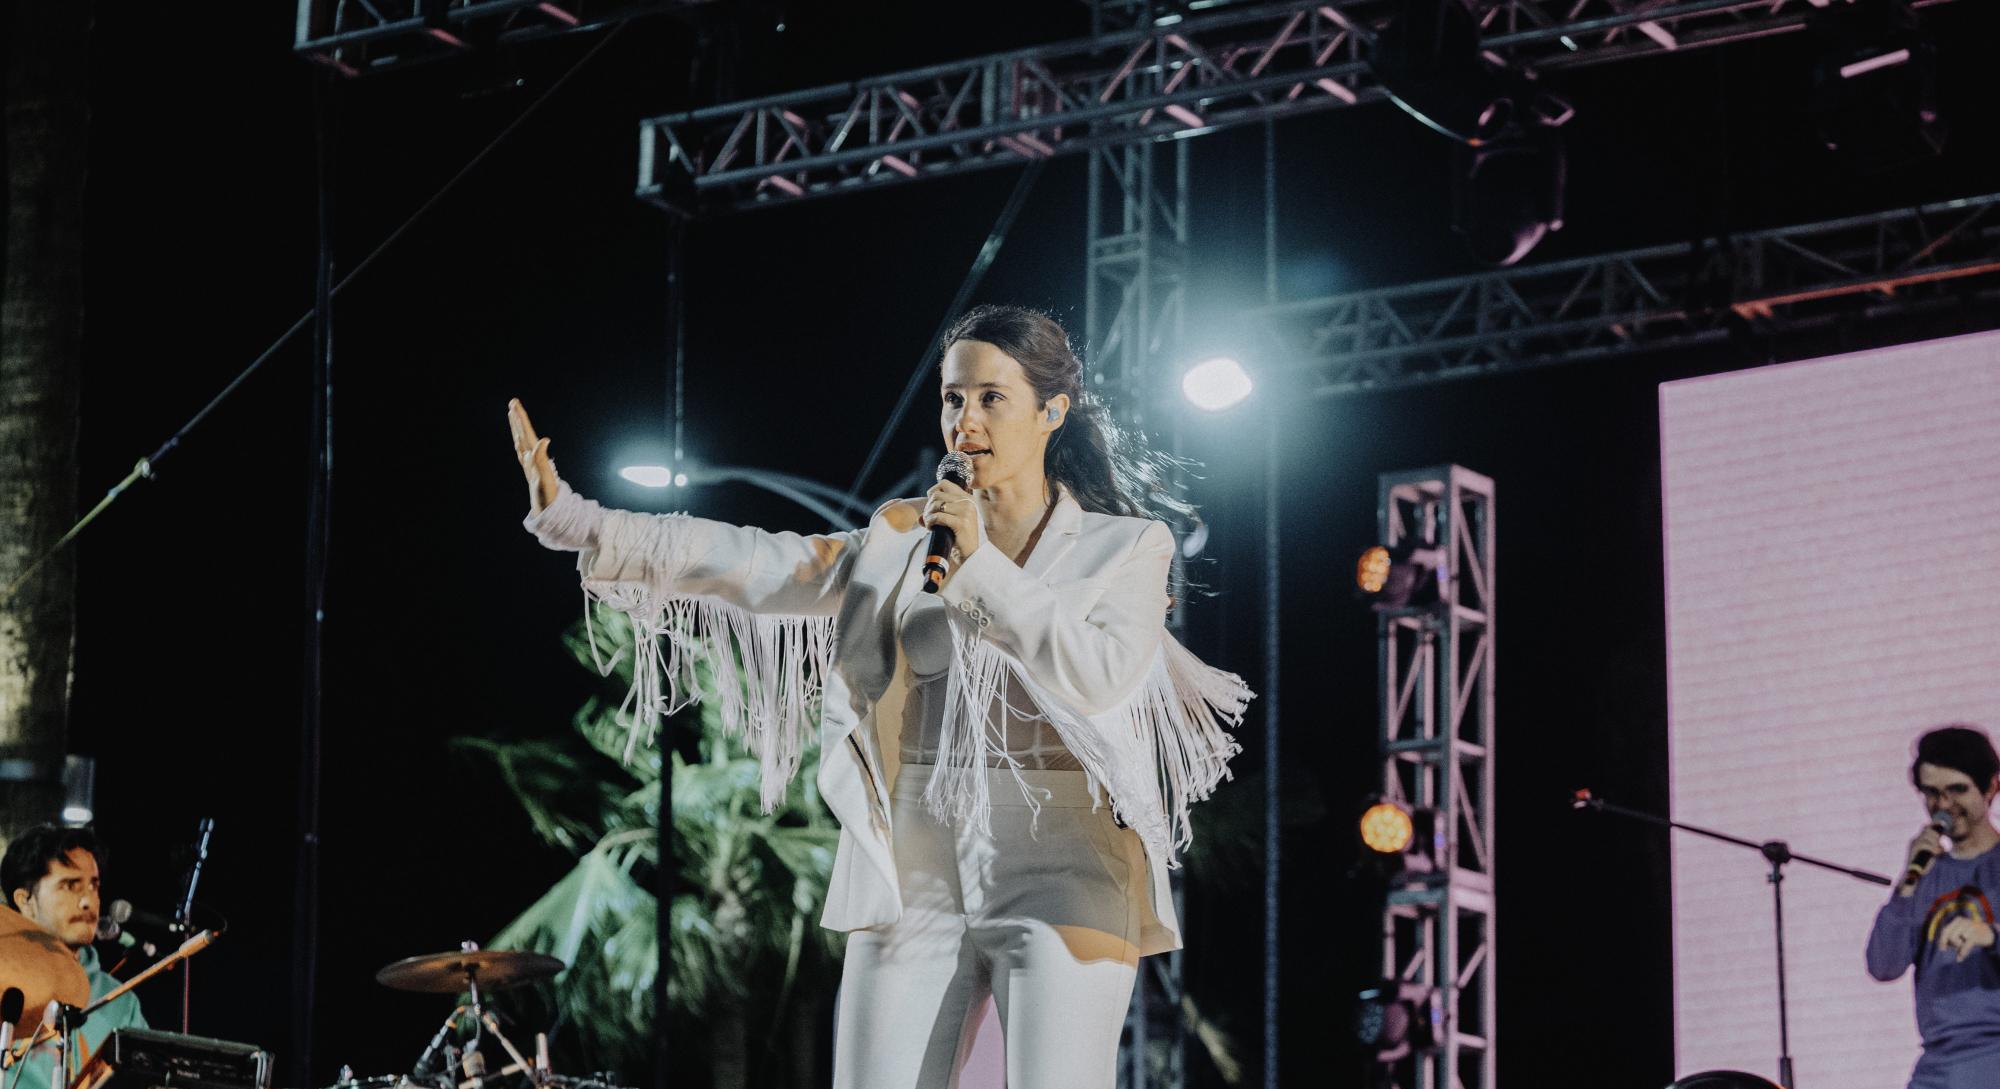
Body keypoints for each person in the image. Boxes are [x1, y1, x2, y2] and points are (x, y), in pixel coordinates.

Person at [512, 304, 1251, 1089]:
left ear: (1052, 411)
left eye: (991, 397)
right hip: (916, 851)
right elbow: (759, 563)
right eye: (952, 397)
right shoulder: (903, 538)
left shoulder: (1126, 546)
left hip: (1063, 851)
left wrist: (977, 565)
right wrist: (578, 521)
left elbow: (1096, 673)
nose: (965, 419)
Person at [1867, 724, 2000, 1089]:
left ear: (1991, 787)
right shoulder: (1925, 874)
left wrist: (1990, 935)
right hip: (1939, 1062)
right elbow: (1883, 964)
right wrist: (1907, 884)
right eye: (1932, 793)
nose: (1944, 806)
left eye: (1958, 790)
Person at [2, 826, 147, 1089]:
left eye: (94, 885)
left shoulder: (121, 1002)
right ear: (25, 900)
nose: (87, 901)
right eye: (70, 885)